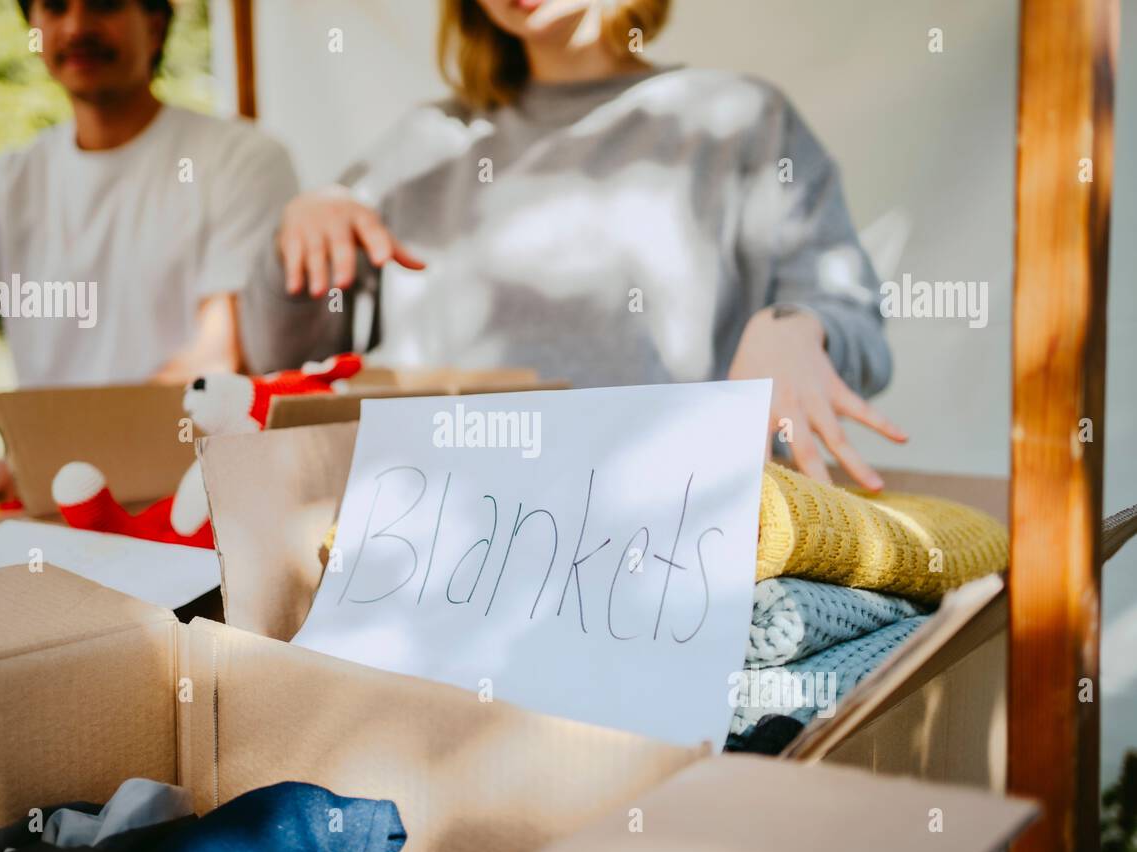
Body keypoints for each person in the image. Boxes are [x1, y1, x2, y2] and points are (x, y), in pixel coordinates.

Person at [256, 0, 907, 490]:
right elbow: (285, 360)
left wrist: (796, 328)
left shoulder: (739, 120)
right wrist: (295, 243)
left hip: (658, 547)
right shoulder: (421, 144)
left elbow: (851, 323)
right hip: (431, 545)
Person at [0, 0, 298, 514]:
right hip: (57, 507)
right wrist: (49, 461)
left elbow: (215, 360)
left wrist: (52, 453)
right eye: (55, 7)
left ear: (155, 22)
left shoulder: (241, 161)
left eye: (103, 4)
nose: (77, 26)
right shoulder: (0, 188)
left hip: (201, 506)